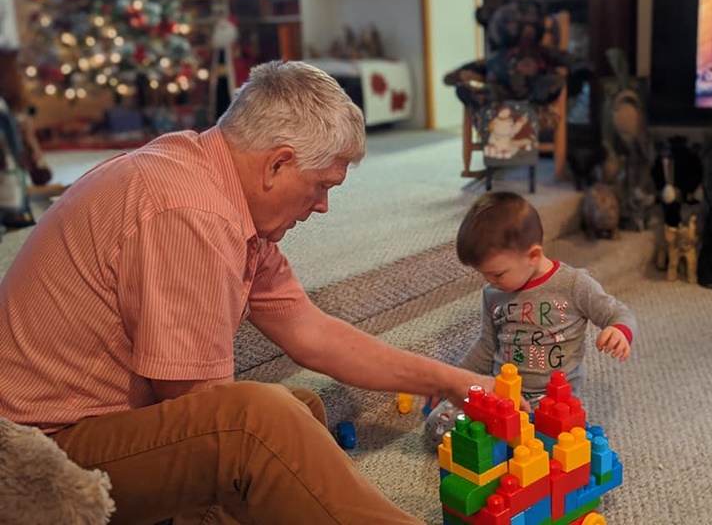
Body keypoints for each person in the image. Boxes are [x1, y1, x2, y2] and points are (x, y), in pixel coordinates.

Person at [0, 61, 496, 525]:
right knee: (257, 424)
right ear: (277, 164)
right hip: (37, 454)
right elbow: (202, 402)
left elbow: (311, 333)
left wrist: (455, 382)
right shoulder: (192, 211)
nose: (322, 206)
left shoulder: (213, 184)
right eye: (321, 185)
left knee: (299, 410)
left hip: (86, 426)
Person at [424, 191, 635, 448]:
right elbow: (486, 346)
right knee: (438, 428)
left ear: (533, 255)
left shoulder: (574, 284)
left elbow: (617, 313)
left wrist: (618, 330)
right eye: (485, 275)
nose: (490, 282)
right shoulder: (493, 294)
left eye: (498, 274)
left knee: (546, 449)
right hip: (499, 392)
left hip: (549, 400)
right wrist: (454, 380)